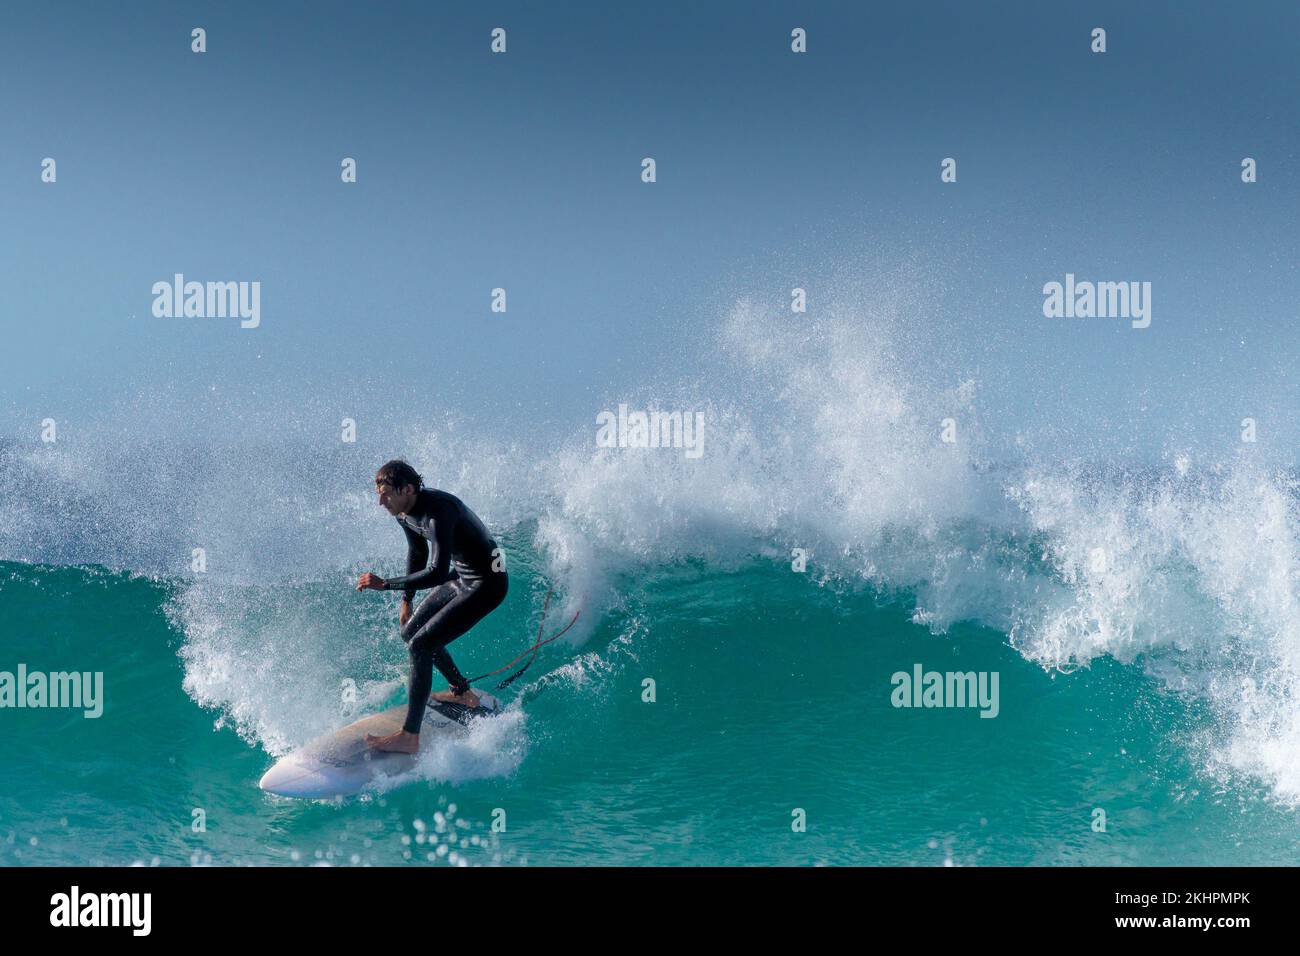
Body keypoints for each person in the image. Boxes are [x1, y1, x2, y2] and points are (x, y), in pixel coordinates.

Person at [355, 459, 508, 753]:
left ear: (408, 489)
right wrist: (406, 600)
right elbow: (417, 551)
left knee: (420, 646)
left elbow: (437, 572)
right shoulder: (404, 511)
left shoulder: (440, 511)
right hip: (463, 577)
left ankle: (409, 737)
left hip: (487, 584)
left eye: (386, 494)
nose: (380, 502)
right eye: (378, 494)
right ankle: (463, 693)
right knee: (410, 634)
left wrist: (386, 583)